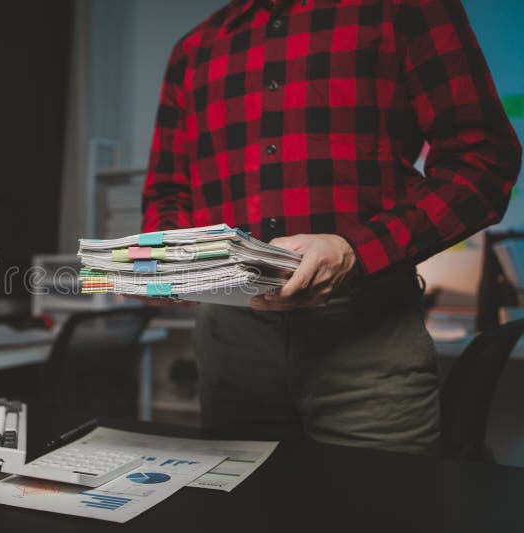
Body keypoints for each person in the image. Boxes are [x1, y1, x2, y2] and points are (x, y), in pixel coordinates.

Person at [140, 0, 521, 454]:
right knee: (240, 513)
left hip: (368, 336)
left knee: (374, 512)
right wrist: (172, 258)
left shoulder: (408, 9)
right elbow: (166, 194)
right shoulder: (193, 51)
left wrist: (357, 251)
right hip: (230, 343)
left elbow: (482, 160)